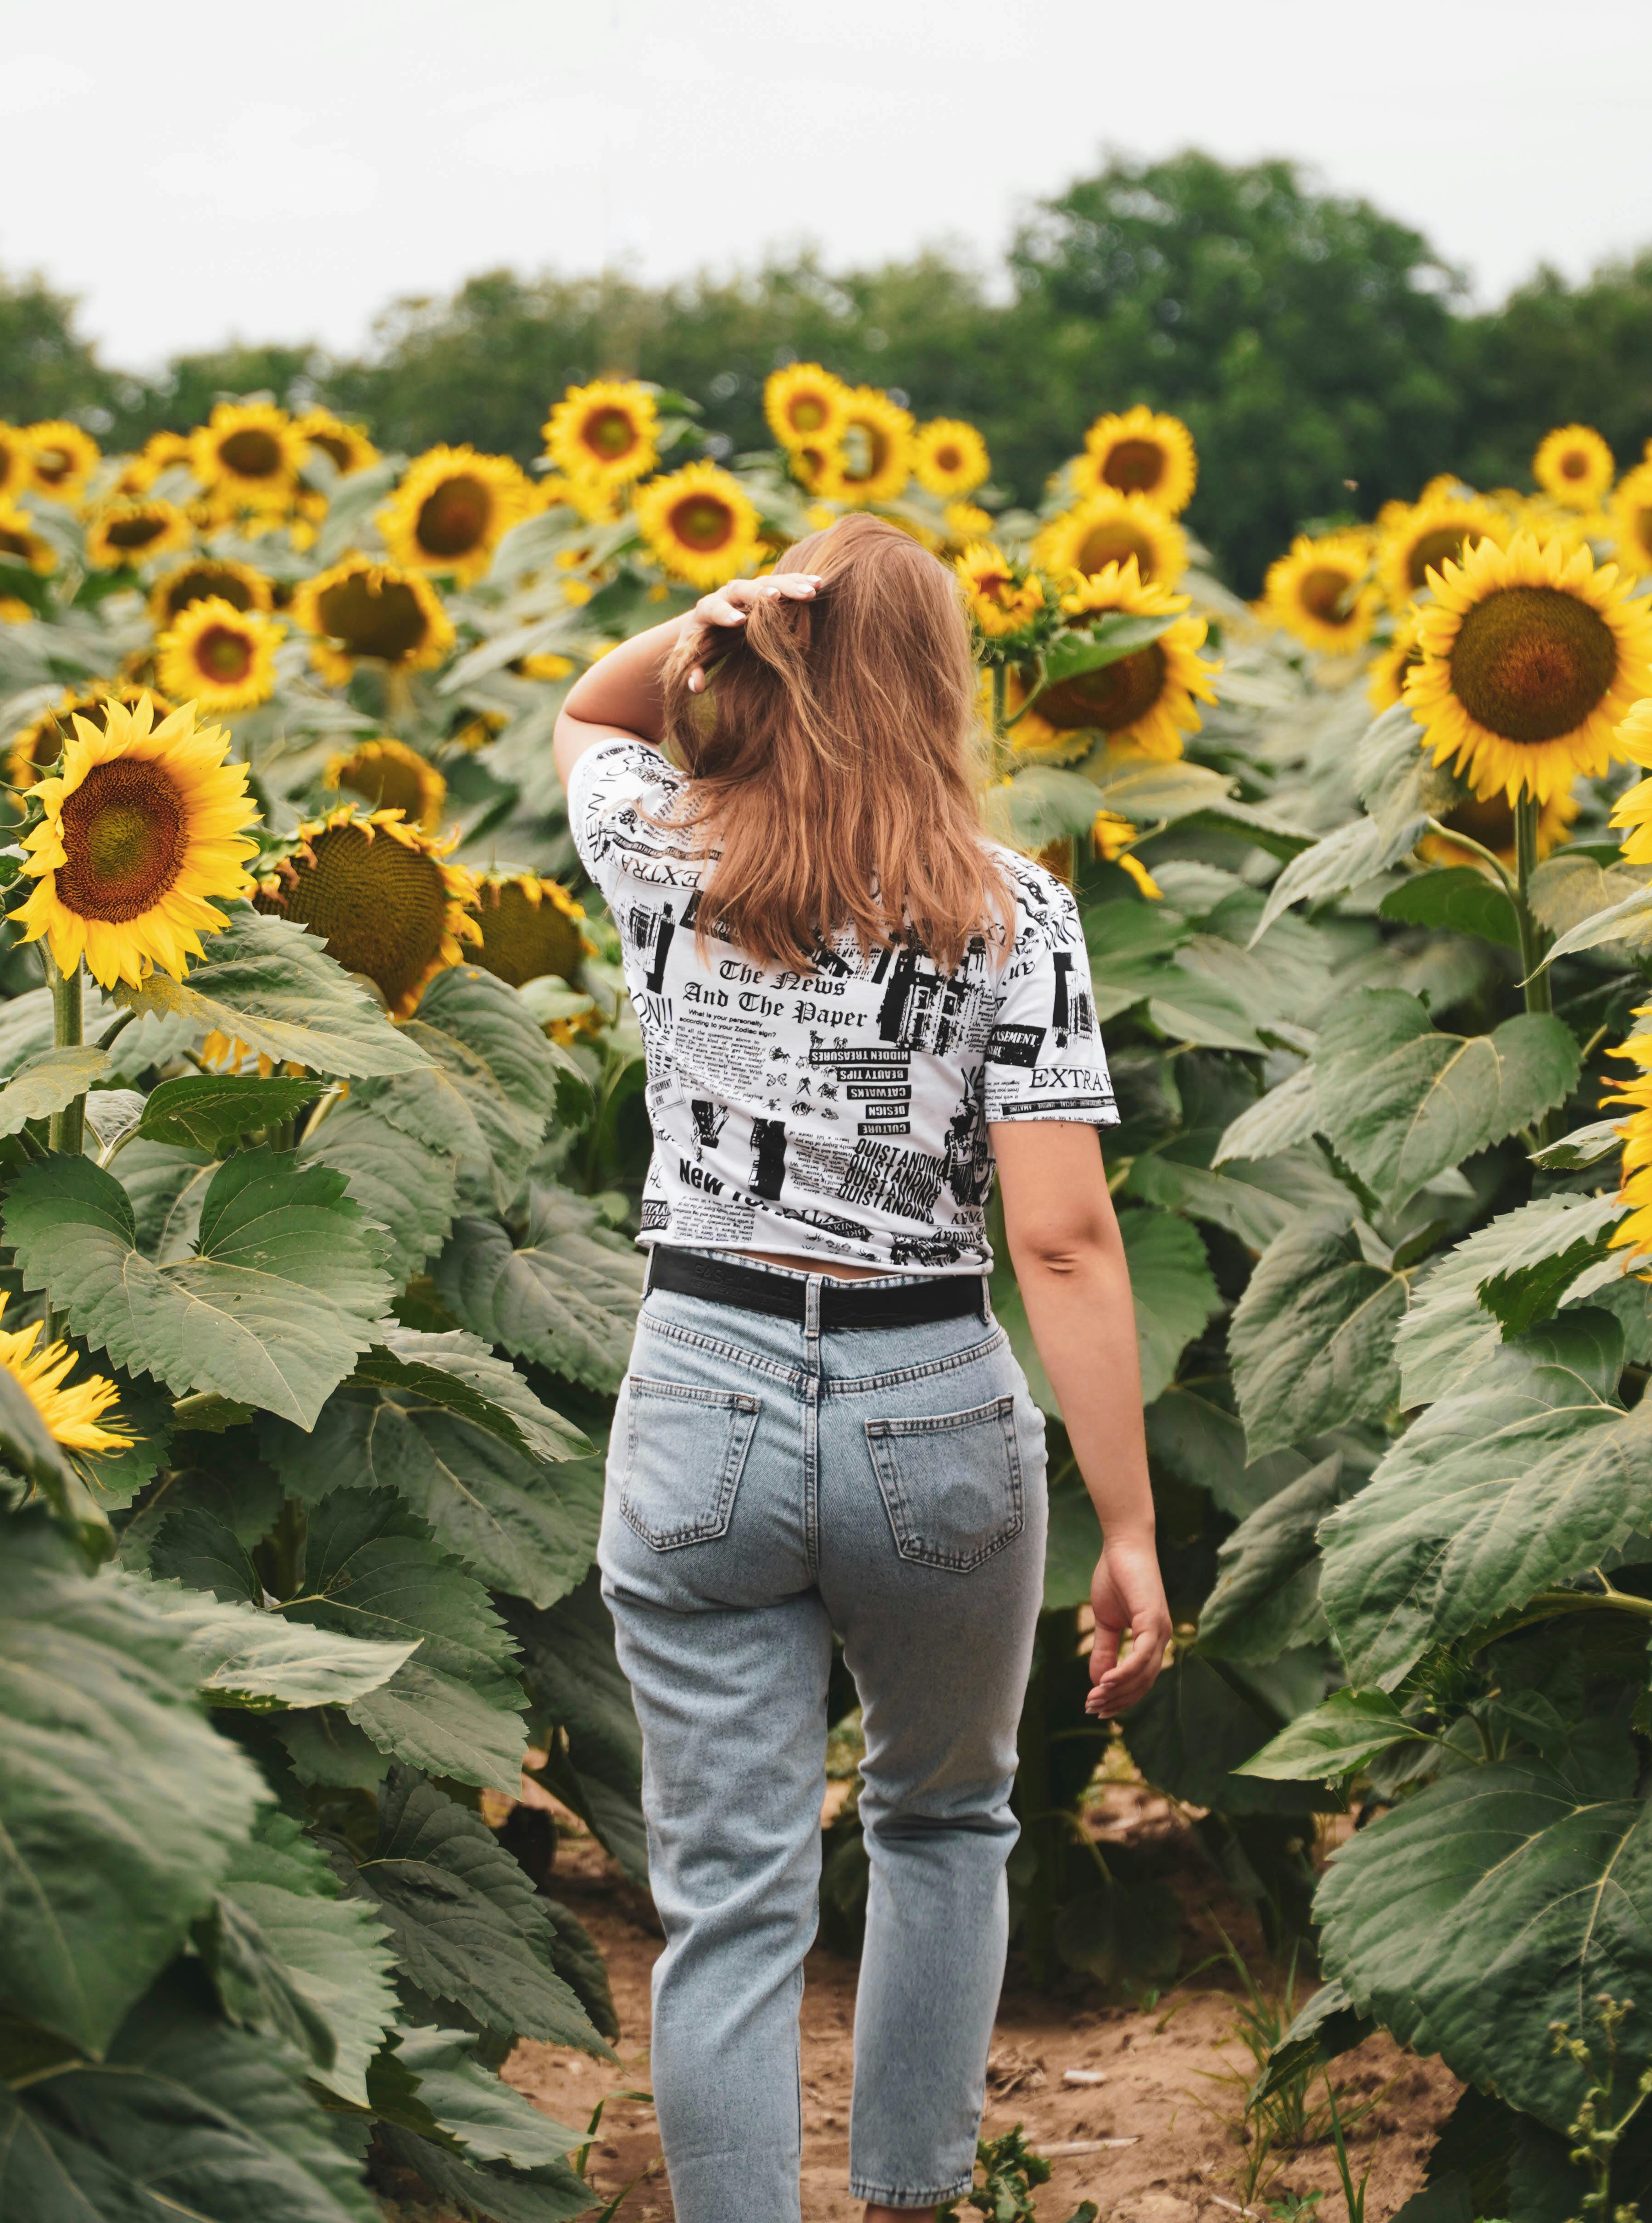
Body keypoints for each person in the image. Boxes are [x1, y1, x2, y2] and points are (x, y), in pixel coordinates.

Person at [552, 513, 1170, 2223]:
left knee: (728, 1893)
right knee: (946, 1823)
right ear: (943, 691)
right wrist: (1127, 1528)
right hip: (931, 1401)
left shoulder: (667, 848)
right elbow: (1061, 1240)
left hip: (703, 1380)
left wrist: (701, 627)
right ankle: (914, 2204)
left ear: (783, 663)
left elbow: (588, 721)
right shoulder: (1014, 913)